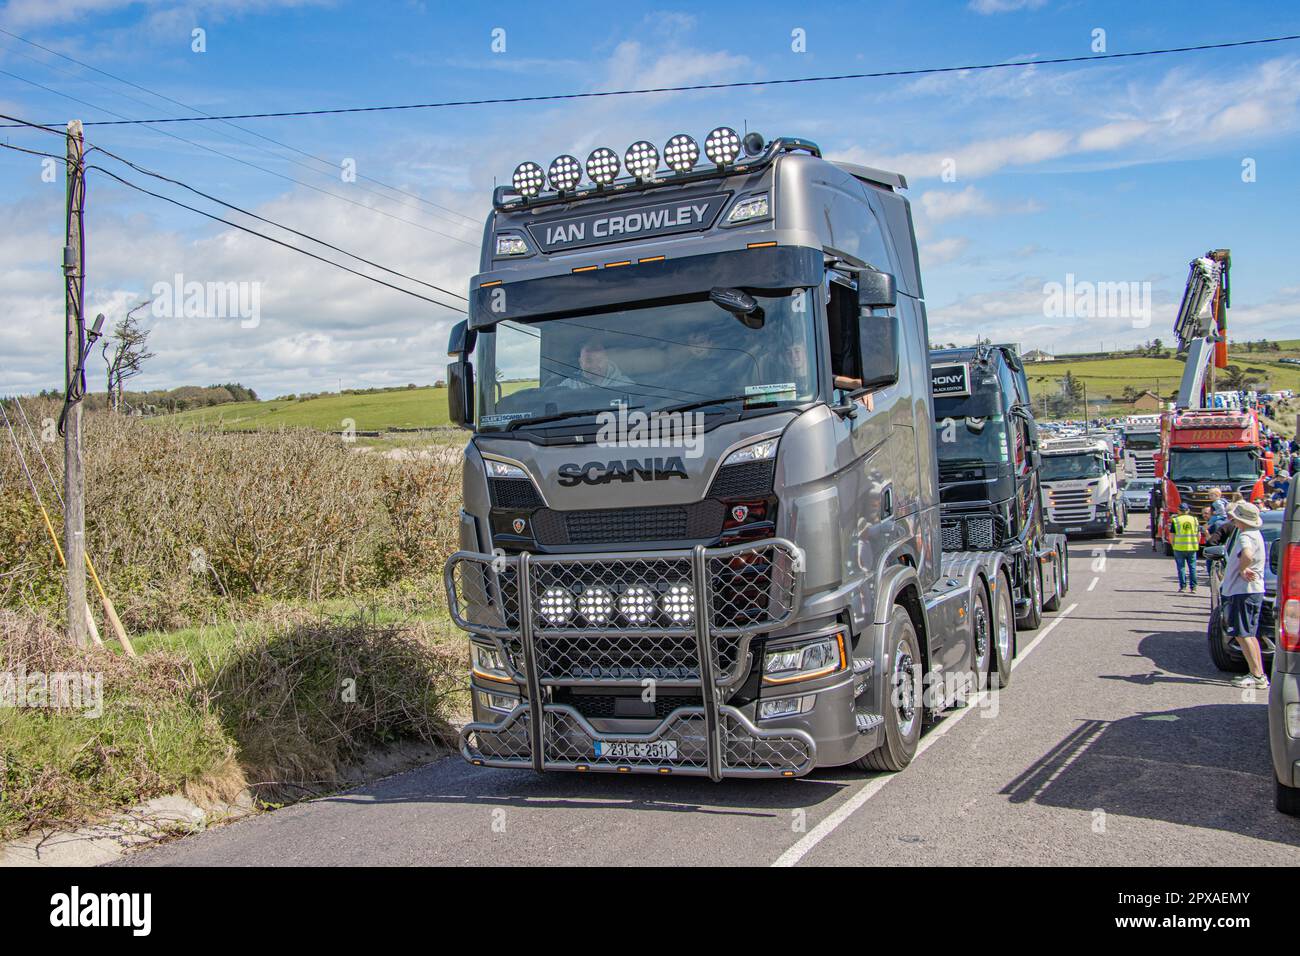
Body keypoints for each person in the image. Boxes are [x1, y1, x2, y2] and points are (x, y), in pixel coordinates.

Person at [1220, 500, 1269, 689]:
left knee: (1243, 634)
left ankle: (1257, 675)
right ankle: (1258, 673)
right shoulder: (1256, 534)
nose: (1233, 522)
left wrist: (1243, 569)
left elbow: (1247, 554)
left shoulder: (1245, 536)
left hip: (1243, 590)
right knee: (1249, 634)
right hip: (1252, 590)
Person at [1169, 502, 1200, 594]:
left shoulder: (1176, 520)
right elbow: (1198, 534)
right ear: (1188, 510)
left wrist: (1173, 545)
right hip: (1192, 547)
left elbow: (1172, 535)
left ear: (1178, 511)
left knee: (1181, 568)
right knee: (1193, 568)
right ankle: (1193, 587)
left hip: (1179, 548)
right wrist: (1196, 544)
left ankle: (1183, 587)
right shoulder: (1194, 520)